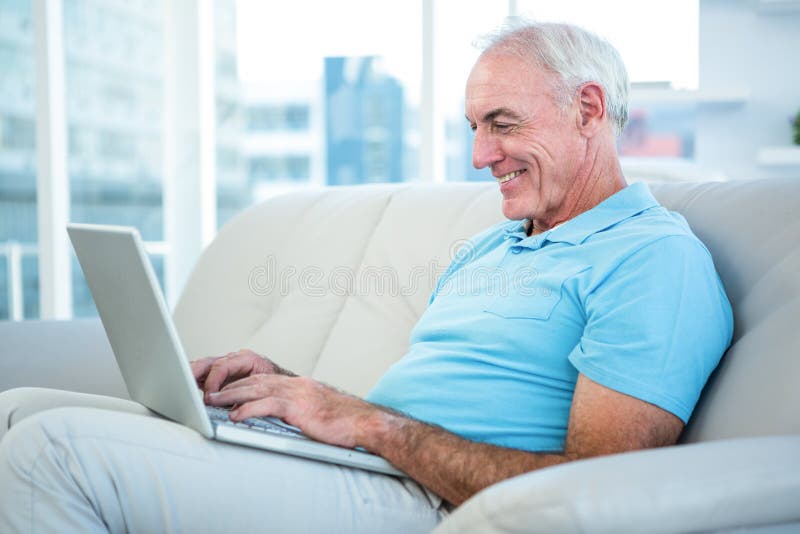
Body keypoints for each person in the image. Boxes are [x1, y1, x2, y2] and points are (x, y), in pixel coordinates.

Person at [0, 21, 733, 532]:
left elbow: (602, 494)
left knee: (48, 452)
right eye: (473, 127)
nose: (481, 156)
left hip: (437, 507)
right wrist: (287, 388)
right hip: (366, 470)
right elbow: (422, 410)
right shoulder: (490, 250)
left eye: (503, 124)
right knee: (20, 409)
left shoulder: (652, 261)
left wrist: (369, 426)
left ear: (589, 110)